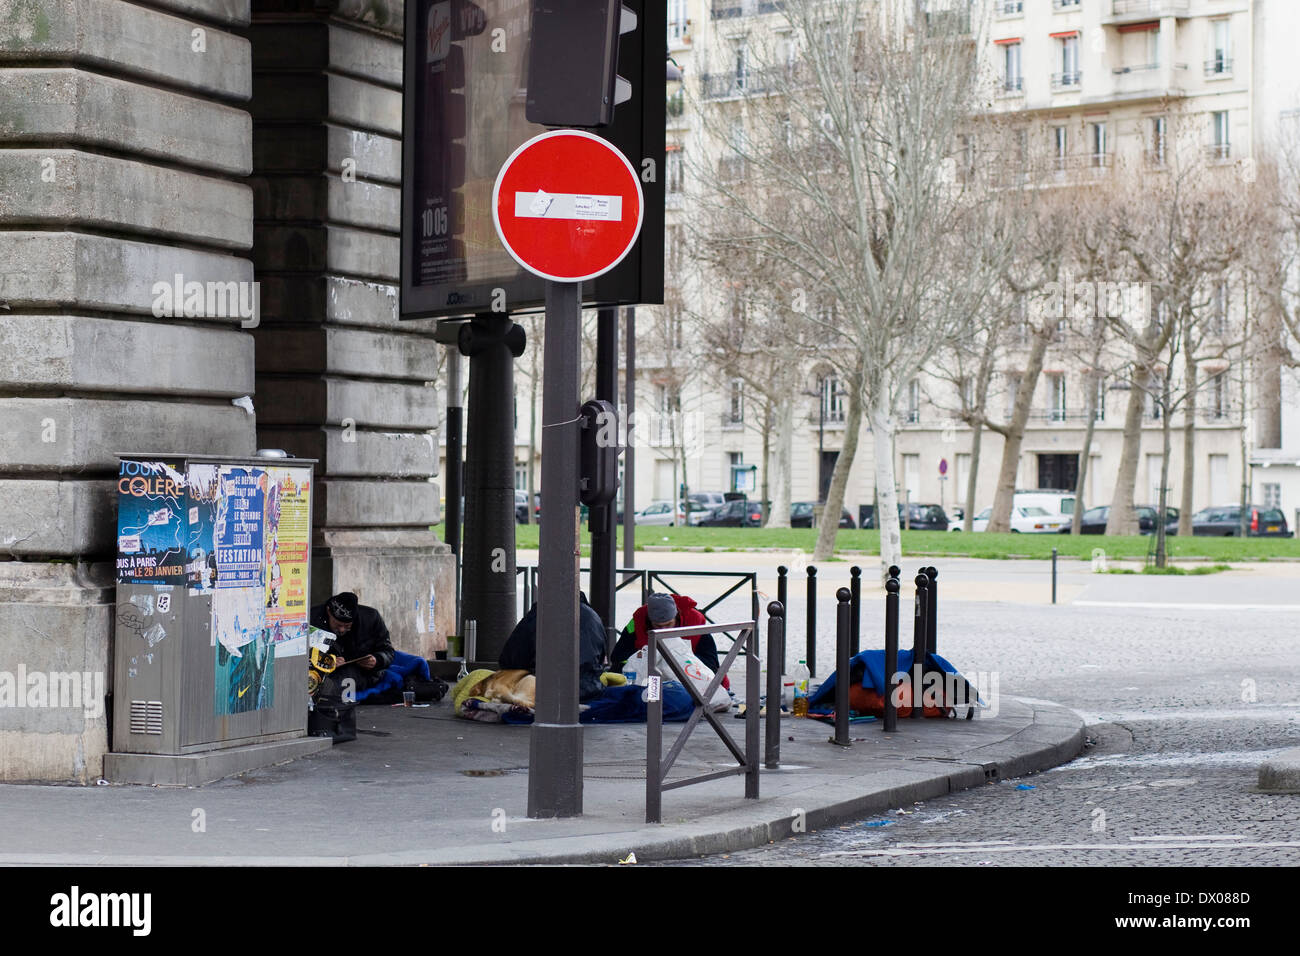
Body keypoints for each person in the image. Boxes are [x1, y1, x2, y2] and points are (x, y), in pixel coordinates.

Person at [499, 591, 608, 701]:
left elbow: (509, 658)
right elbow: (601, 658)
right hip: (589, 690)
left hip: (542, 691)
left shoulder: (538, 613)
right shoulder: (593, 616)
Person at [609, 591, 727, 688]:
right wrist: (643, 658)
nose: (663, 629)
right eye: (658, 626)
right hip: (649, 683)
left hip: (691, 684)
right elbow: (618, 656)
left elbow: (711, 663)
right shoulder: (637, 622)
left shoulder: (695, 622)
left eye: (668, 624)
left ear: (676, 617)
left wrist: (680, 659)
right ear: (649, 621)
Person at [309, 591, 396, 697]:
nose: (341, 630)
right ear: (328, 612)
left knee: (334, 686)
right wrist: (327, 661)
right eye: (337, 624)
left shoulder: (371, 618)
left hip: (362, 673)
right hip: (321, 672)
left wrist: (377, 659)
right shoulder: (311, 618)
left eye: (347, 626)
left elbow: (388, 652)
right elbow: (302, 654)